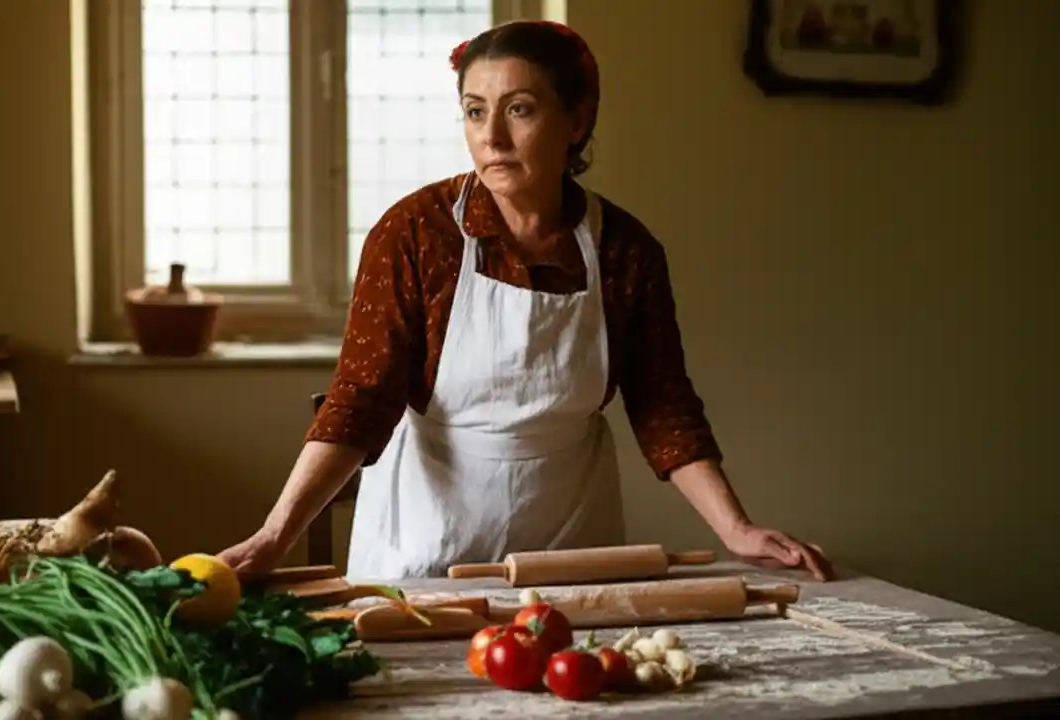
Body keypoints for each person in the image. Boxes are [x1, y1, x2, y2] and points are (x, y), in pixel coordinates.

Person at [218, 20, 833, 583]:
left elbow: (663, 405)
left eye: (520, 109)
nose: (492, 137)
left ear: (577, 119)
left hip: (570, 536)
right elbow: (362, 398)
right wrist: (277, 533)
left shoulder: (625, 250)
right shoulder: (416, 233)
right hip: (431, 535)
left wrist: (736, 529)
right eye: (474, 111)